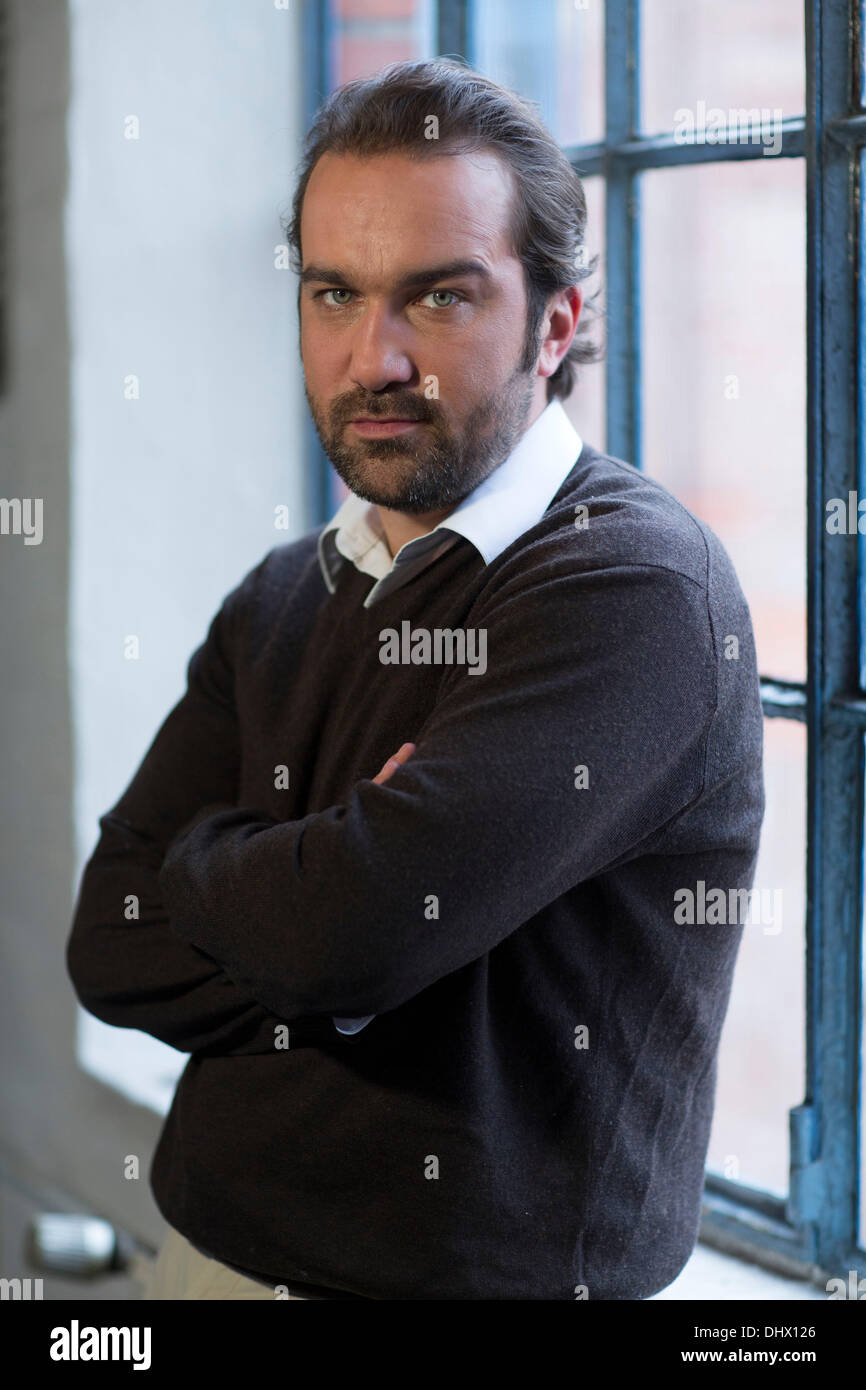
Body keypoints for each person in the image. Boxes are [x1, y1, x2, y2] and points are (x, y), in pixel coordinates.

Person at [66, 57, 765, 1301]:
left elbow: (350, 936)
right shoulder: (285, 588)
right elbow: (109, 946)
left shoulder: (635, 589)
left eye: (437, 298)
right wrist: (314, 875)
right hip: (204, 1258)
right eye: (333, 292)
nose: (373, 355)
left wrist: (245, 872)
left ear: (554, 323)